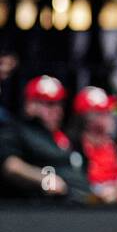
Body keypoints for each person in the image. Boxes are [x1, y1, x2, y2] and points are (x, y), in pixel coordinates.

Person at [0, 75, 92, 204]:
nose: (57, 110)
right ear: (30, 105)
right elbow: (11, 166)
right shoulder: (17, 130)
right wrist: (45, 179)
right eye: (50, 104)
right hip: (46, 210)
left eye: (60, 103)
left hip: (83, 205)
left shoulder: (65, 136)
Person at [70, 86, 117, 205]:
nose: (110, 117)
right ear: (87, 118)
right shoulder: (72, 147)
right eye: (102, 113)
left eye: (108, 112)